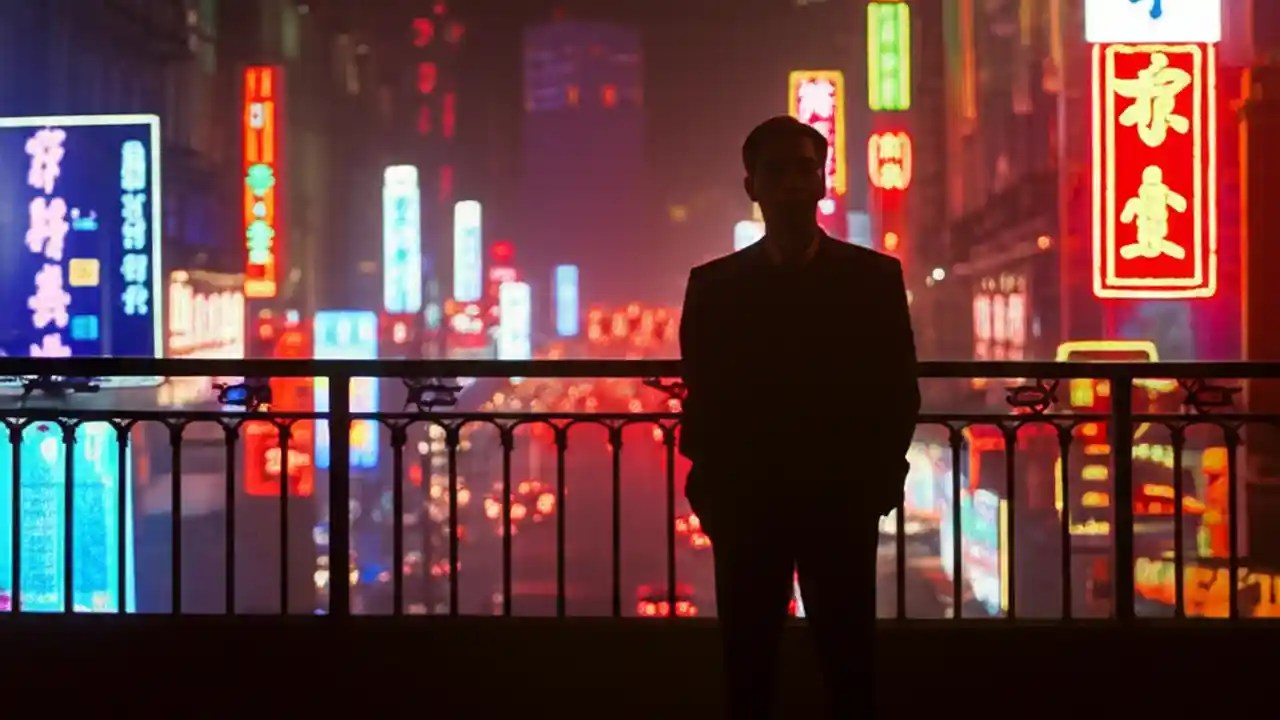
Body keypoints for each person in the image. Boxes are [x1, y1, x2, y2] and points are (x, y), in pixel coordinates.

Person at [679, 116, 920, 719]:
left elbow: (897, 390)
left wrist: (878, 485)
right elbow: (702, 396)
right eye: (776, 170)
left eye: (804, 169)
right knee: (748, 664)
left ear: (822, 181)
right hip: (747, 506)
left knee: (849, 663)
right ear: (751, 185)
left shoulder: (874, 280)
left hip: (840, 501)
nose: (791, 183)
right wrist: (714, 494)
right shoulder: (713, 288)